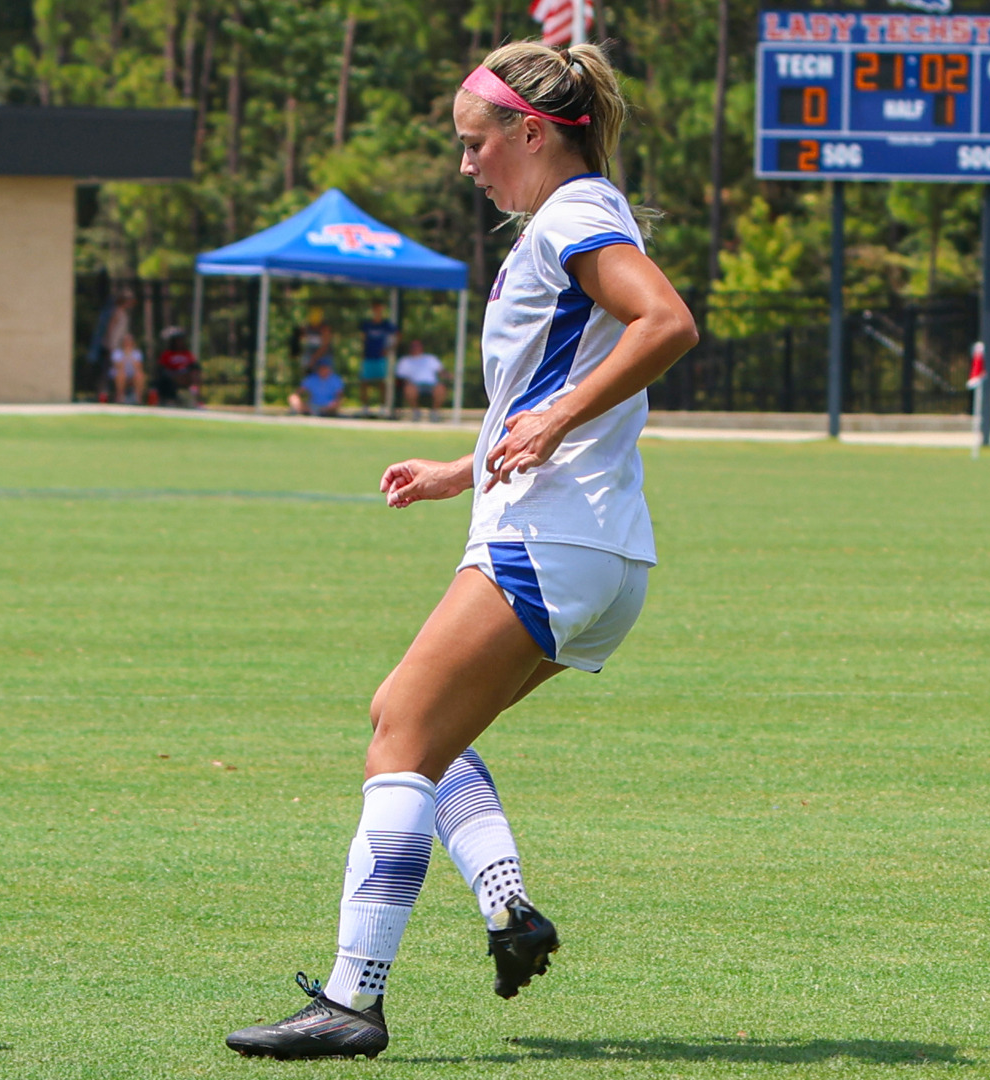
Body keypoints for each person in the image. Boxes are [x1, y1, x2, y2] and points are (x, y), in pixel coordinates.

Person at [225, 40, 697, 1061]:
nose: (467, 164)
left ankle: (354, 1001)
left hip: (551, 538)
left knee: (397, 734)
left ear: (531, 132)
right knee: (421, 735)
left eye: (476, 142)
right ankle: (505, 903)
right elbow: (546, 380)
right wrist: (462, 465)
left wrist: (559, 419)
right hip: (600, 552)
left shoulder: (574, 211)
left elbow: (665, 323)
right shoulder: (571, 218)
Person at [358, 300, 397, 414]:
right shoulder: (367, 325)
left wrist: (390, 349)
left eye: (379, 308)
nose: (377, 311)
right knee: (364, 382)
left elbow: (398, 335)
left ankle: (382, 407)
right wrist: (363, 352)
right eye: (375, 308)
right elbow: (363, 339)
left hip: (381, 358)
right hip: (368, 357)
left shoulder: (386, 325)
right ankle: (365, 407)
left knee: (382, 382)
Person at [394, 338, 445, 422]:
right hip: (414, 385)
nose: (416, 348)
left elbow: (441, 371)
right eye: (413, 346)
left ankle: (434, 413)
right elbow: (401, 377)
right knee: (409, 389)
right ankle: (416, 412)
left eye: (418, 346)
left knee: (441, 388)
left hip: (431, 385)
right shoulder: (405, 361)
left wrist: (449, 376)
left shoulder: (430, 358)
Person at [154, 328, 201, 407]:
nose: (179, 343)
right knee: (168, 378)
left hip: (186, 376)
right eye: (177, 341)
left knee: (195, 375)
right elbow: (161, 368)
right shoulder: (167, 354)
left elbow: (194, 366)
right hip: (172, 375)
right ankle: (170, 400)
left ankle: (196, 400)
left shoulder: (187, 354)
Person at [111, 331, 147, 405]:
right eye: (126, 341)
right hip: (120, 374)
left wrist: (131, 356)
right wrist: (125, 355)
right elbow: (118, 367)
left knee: (140, 375)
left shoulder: (137, 353)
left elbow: (139, 368)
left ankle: (138, 398)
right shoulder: (117, 352)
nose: (127, 343)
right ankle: (119, 397)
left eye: (129, 341)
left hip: (133, 375)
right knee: (121, 375)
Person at [298, 307, 334, 373]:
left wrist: (313, 359)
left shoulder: (325, 329)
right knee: (305, 364)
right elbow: (301, 337)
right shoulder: (307, 327)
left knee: (325, 372)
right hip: (310, 354)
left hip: (324, 355)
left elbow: (324, 347)